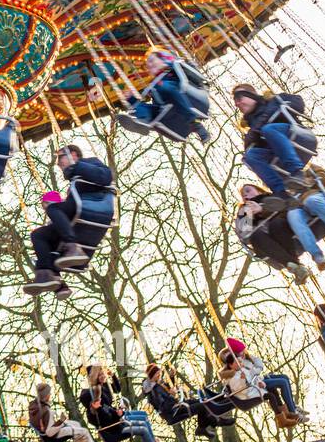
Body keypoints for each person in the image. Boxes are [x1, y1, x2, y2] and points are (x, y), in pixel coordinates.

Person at [24, 146, 114, 297]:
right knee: (39, 236)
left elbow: (105, 176)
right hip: (81, 211)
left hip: (92, 206)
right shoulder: (75, 182)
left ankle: (72, 246)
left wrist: (77, 166)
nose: (58, 164)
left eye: (60, 158)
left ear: (73, 154)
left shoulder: (90, 162)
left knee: (54, 209)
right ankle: (48, 275)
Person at [231, 85, 315, 195]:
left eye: (239, 98)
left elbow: (298, 103)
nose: (237, 104)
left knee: (269, 129)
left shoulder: (275, 100)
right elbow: (251, 149)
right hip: (280, 156)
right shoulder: (252, 128)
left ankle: (297, 173)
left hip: (299, 137)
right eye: (235, 102)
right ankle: (281, 192)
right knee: (250, 156)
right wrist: (252, 136)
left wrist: (275, 109)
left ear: (251, 95)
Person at [78, 366, 171, 442]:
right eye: (100, 374)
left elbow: (116, 390)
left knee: (143, 416)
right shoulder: (93, 402)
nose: (103, 376)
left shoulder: (103, 387)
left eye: (103, 373)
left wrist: (113, 376)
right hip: (112, 430)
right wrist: (103, 408)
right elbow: (103, 415)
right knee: (143, 427)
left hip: (116, 421)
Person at [123, 47, 209, 142]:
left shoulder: (174, 70)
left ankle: (195, 123)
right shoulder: (156, 86)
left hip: (192, 97)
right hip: (174, 115)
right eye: (148, 66)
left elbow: (192, 74)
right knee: (145, 107)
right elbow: (158, 105)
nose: (150, 65)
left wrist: (178, 61)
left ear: (164, 59)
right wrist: (131, 99)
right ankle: (142, 121)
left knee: (164, 86)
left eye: (152, 61)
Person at [217, 342, 307, 428]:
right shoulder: (235, 369)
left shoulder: (242, 360)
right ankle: (292, 411)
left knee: (284, 377)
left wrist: (256, 371)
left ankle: (291, 408)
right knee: (282, 383)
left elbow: (256, 364)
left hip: (258, 380)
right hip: (253, 388)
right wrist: (254, 372)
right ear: (228, 362)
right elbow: (246, 379)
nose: (238, 355)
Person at [234, 184, 311, 282]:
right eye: (243, 195)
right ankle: (296, 265)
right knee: (255, 235)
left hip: (283, 232)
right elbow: (245, 236)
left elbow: (286, 208)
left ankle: (294, 265)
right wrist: (248, 216)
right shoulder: (243, 211)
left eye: (248, 191)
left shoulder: (271, 198)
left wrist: (262, 209)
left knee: (275, 224)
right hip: (265, 243)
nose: (245, 195)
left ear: (259, 191)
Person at [140, 363, 235, 441]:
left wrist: (172, 377)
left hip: (176, 406)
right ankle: (216, 422)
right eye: (157, 374)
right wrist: (171, 395)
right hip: (173, 412)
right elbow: (164, 407)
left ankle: (202, 428)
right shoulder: (153, 391)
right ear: (152, 375)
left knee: (202, 401)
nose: (159, 375)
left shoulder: (157, 385)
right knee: (201, 406)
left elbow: (167, 388)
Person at [28, 382, 106, 442]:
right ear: (46, 395)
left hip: (45, 434)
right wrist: (61, 421)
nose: (50, 394)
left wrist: (60, 422)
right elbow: (50, 432)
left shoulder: (34, 406)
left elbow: (41, 423)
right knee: (84, 432)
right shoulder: (47, 411)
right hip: (52, 437)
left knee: (76, 424)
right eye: (49, 393)